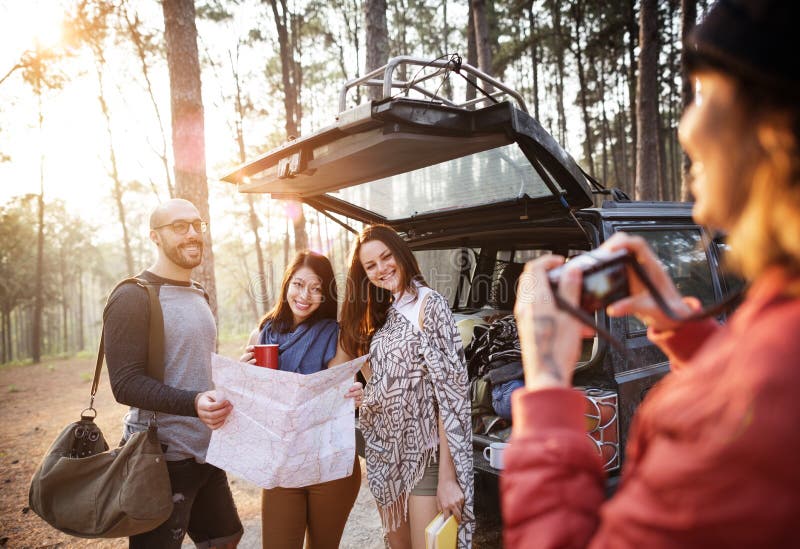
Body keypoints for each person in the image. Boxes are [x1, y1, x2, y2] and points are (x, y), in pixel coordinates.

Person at [502, 0, 800, 547]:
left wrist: (545, 378)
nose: (686, 128)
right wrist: (681, 327)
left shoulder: (766, 391)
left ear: (776, 130)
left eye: (706, 95)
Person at [104, 198, 242, 548]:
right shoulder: (133, 296)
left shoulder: (198, 293)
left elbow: (194, 364)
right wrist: (194, 402)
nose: (193, 234)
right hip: (160, 458)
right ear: (155, 236)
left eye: (197, 225)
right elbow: (125, 384)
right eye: (180, 227)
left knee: (225, 538)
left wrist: (238, 372)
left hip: (206, 451)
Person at [339, 225, 474, 549]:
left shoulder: (430, 306)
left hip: (424, 456)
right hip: (386, 455)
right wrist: (367, 395)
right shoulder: (383, 312)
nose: (381, 269)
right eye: (370, 266)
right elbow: (384, 381)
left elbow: (451, 395)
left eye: (386, 257)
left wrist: (447, 478)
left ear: (400, 254)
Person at [239, 251, 364, 549]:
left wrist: (354, 398)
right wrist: (243, 379)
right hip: (283, 464)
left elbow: (340, 403)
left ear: (325, 294)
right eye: (298, 284)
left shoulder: (337, 336)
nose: (304, 295)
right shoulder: (261, 334)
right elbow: (249, 411)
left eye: (316, 288)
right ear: (286, 285)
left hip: (329, 464)